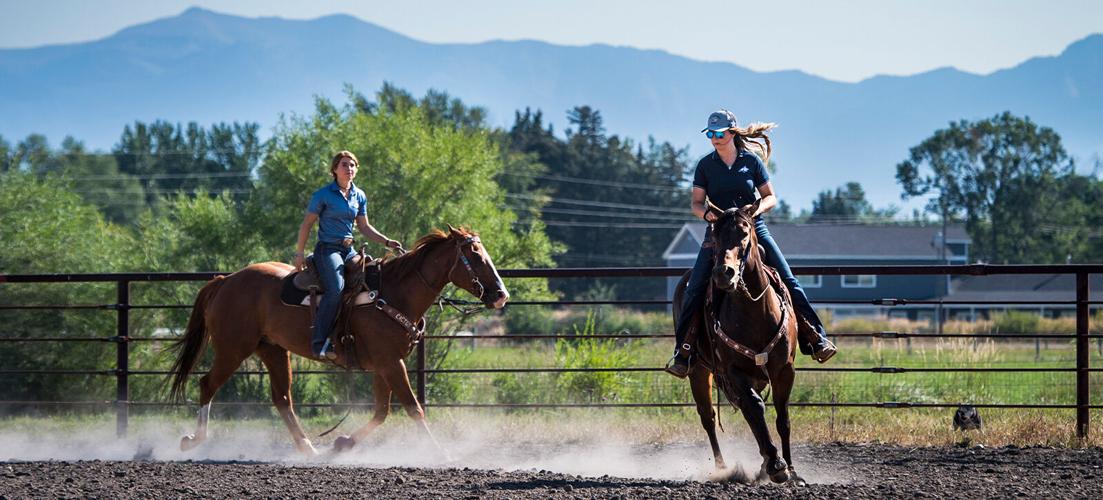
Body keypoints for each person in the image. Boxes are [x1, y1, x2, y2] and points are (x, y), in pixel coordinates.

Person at [665, 110, 837, 378]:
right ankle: (684, 352)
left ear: (732, 132)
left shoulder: (751, 161)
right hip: (718, 233)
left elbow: (770, 197)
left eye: (719, 133)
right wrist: (708, 215)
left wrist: (754, 211)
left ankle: (816, 338)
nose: (714, 138)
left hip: (753, 229)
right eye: (710, 134)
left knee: (788, 280)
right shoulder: (705, 165)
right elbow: (696, 203)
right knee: (694, 286)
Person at [294, 150, 403, 359]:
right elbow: (306, 224)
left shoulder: (359, 195)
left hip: (349, 251)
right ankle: (319, 343)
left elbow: (364, 227)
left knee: (373, 277)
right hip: (328, 250)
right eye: (344, 165)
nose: (349, 168)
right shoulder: (323, 195)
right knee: (336, 288)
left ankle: (353, 335)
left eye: (352, 165)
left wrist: (387, 241)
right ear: (335, 169)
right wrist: (299, 253)